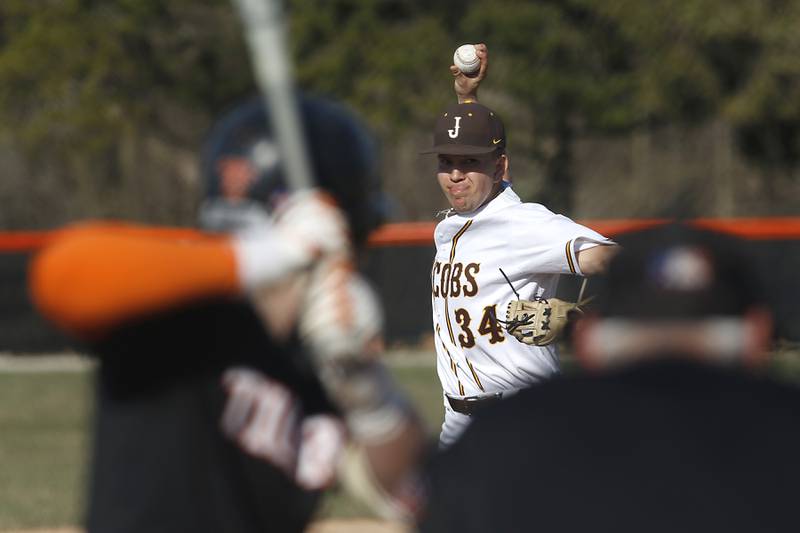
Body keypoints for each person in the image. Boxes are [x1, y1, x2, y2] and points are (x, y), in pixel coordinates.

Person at [29, 95, 426, 532]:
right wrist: (277, 254)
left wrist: (368, 391)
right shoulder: (173, 313)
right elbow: (60, 272)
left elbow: (422, 495)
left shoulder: (323, 351)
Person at [418, 223, 800, 533]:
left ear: (589, 342)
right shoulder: (785, 431)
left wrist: (573, 318)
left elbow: (604, 255)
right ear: (756, 336)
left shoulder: (513, 440)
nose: (457, 172)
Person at [422, 46, 617, 446]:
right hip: (457, 420)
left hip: (523, 419)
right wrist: (466, 100)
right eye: (446, 162)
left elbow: (616, 259)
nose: (455, 174)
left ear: (500, 167)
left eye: (469, 162)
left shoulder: (524, 224)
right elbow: (470, 152)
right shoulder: (455, 221)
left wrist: (579, 318)